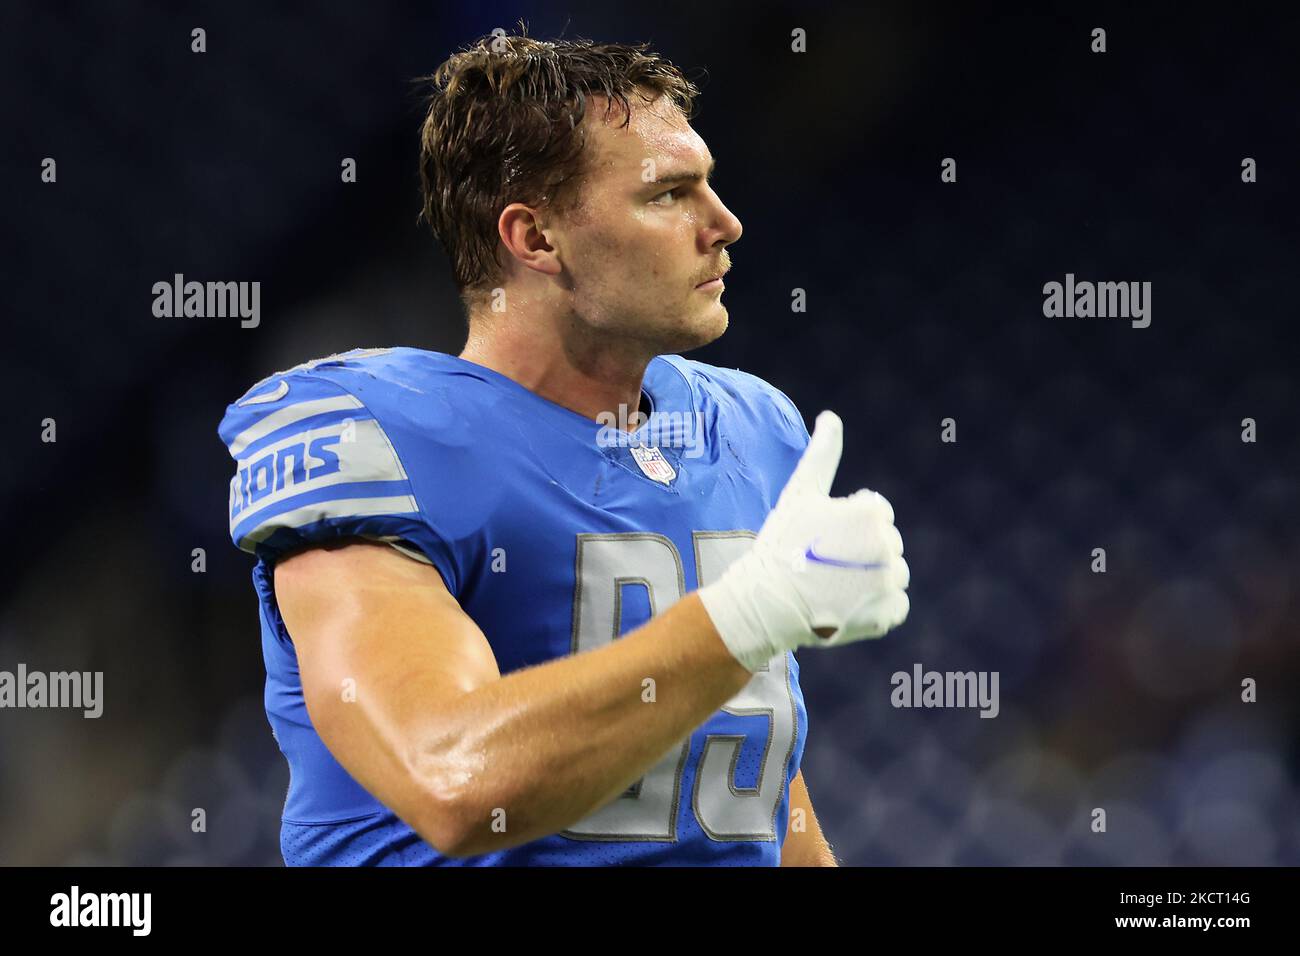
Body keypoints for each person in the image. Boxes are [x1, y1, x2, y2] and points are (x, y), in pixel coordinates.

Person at [218, 30, 909, 866]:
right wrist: (748, 614)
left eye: (710, 186)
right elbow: (454, 781)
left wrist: (746, 635)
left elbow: (757, 790)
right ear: (536, 240)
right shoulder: (378, 436)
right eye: (668, 195)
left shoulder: (752, 429)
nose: (724, 223)